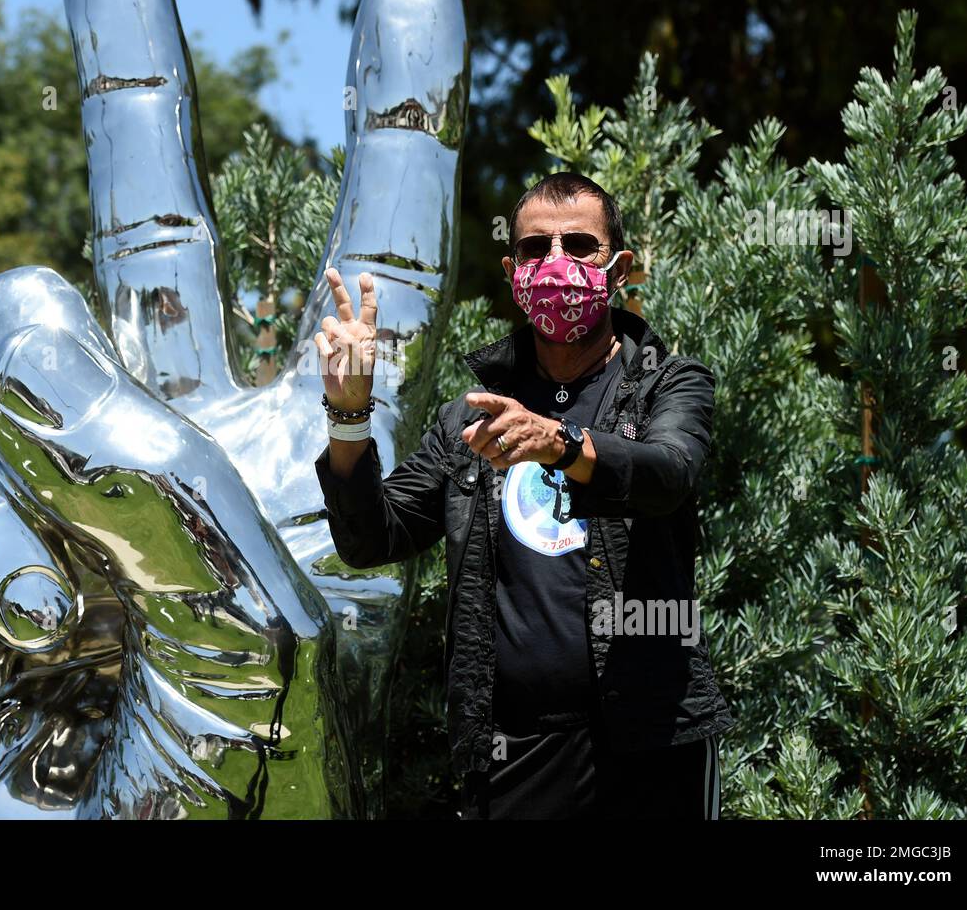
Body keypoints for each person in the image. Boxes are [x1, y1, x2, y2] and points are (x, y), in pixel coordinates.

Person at [313, 171, 733, 819]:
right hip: (517, 751)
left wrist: (561, 443)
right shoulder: (469, 421)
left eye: (579, 246)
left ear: (618, 267)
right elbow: (373, 536)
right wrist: (348, 416)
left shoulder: (665, 385)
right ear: (513, 271)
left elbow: (666, 475)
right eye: (536, 250)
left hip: (651, 739)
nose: (556, 264)